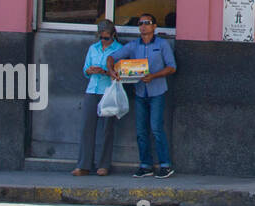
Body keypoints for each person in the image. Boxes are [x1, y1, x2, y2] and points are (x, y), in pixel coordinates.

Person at [108, 13, 177, 178]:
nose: (143, 26)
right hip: (140, 92)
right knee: (140, 131)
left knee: (156, 128)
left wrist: (154, 76)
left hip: (157, 92)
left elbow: (172, 67)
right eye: (140, 23)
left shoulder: (162, 45)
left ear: (154, 26)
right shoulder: (133, 45)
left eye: (147, 23)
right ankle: (145, 165)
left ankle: (165, 165)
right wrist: (111, 70)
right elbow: (112, 57)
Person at [73, 18, 123, 177]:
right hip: (92, 89)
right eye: (101, 37)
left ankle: (103, 164)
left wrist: (105, 71)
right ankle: (84, 164)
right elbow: (84, 69)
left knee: (107, 129)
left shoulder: (119, 49)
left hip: (108, 90)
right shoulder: (93, 48)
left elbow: (121, 73)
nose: (103, 40)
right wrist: (90, 71)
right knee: (86, 128)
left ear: (113, 35)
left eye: (106, 38)